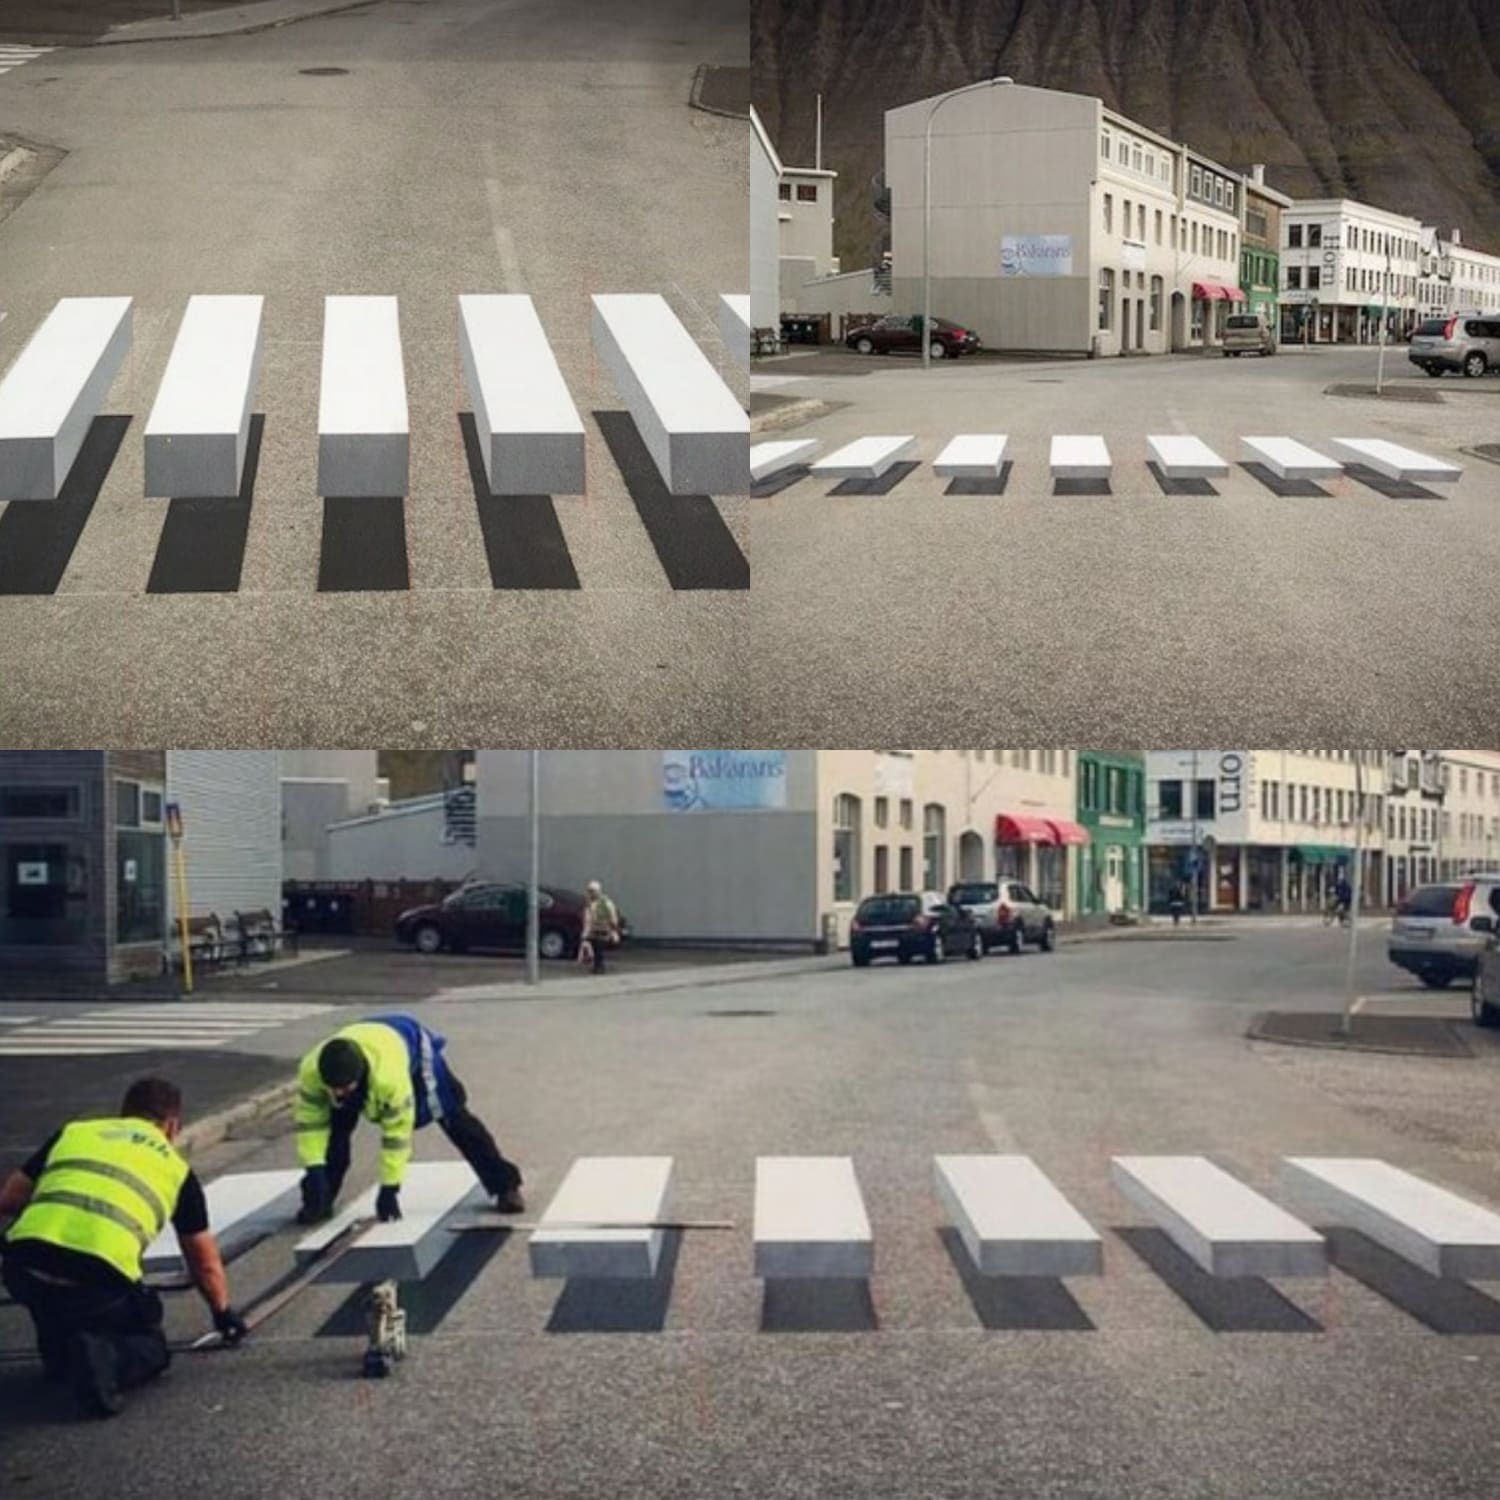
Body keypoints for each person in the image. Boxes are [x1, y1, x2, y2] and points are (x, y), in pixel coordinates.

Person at [0, 1077, 247, 1418]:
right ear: (172, 1125)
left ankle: (62, 1354)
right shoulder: (176, 1170)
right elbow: (203, 1261)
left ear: (124, 1113)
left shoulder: (75, 1132)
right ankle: (109, 1359)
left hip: (23, 1267)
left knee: (55, 1316)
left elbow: (10, 1198)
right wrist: (223, 1313)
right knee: (151, 1343)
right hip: (98, 1282)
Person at [294, 1014, 524, 1226]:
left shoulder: (389, 1079)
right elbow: (310, 1126)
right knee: (335, 1134)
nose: (339, 1095)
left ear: (360, 1075)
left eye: (345, 1088)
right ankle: (319, 1199)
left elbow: (396, 1136)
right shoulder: (312, 1074)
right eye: (333, 1089)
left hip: (409, 1042)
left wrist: (389, 1188)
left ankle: (504, 1186)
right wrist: (315, 1169)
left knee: (453, 1117)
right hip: (366, 1037)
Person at [581, 880, 620, 975]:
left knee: (599, 949)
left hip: (603, 929)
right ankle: (596, 966)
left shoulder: (606, 902)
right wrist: (586, 930)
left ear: (598, 891)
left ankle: (599, 967)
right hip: (593, 929)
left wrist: (613, 930)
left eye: (592, 891)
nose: (590, 893)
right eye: (589, 891)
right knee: (593, 948)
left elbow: (612, 916)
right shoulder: (589, 902)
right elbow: (588, 917)